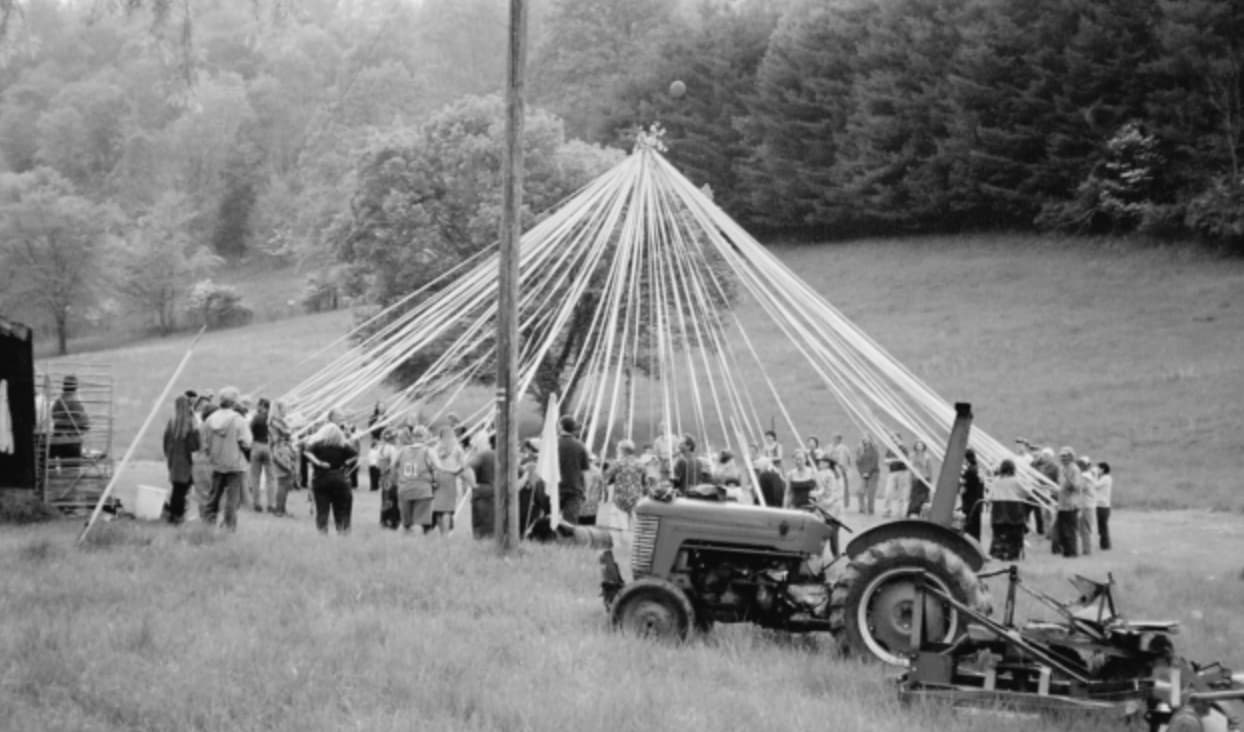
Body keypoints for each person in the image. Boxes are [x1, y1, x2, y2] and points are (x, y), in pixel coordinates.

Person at [201, 387, 253, 531]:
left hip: (216, 463)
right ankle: (229, 529)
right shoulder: (238, 420)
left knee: (213, 497)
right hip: (234, 465)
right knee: (232, 500)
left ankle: (207, 525)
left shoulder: (210, 419)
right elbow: (247, 443)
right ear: (234, 402)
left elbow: (205, 443)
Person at [304, 422, 357, 534]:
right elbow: (355, 455)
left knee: (322, 510)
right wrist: (345, 464)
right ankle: (343, 533)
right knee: (341, 510)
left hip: (321, 478)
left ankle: (322, 533)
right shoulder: (343, 446)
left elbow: (307, 452)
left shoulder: (318, 445)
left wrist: (319, 463)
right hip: (339, 478)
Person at [161, 394, 200, 524]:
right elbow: (194, 446)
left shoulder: (172, 422)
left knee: (177, 489)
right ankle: (177, 516)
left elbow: (165, 442)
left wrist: (169, 456)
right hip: (186, 461)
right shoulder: (189, 423)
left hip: (173, 460)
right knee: (182, 490)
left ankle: (173, 514)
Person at [394, 425, 435, 534]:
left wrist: (398, 481)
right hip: (422, 490)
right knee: (419, 522)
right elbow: (435, 468)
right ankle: (416, 545)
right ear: (424, 437)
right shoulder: (428, 451)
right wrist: (434, 481)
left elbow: (393, 466)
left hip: (404, 489)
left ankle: (403, 546)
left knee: (405, 523)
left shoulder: (402, 451)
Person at [430, 423, 470, 535]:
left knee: (438, 508)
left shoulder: (436, 448)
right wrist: (464, 482)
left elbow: (431, 464)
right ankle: (445, 535)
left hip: (437, 477)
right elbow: (463, 466)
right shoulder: (457, 448)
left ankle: (442, 531)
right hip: (451, 478)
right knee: (447, 509)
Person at [988, 459, 1027, 560]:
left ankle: (998, 554)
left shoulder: (996, 481)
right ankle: (1012, 554)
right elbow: (1025, 494)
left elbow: (990, 497)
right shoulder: (1016, 481)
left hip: (999, 511)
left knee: (999, 534)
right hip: (1014, 511)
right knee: (1014, 535)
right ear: (1012, 469)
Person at [557, 415, 590, 524]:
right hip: (574, 488)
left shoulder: (553, 444)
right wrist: (586, 490)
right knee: (570, 524)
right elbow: (584, 472)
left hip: (554, 488)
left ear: (561, 426)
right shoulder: (580, 446)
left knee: (550, 522)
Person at [50, 374, 89, 459]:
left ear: (63, 387)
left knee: (57, 470)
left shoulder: (58, 402)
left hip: (57, 442)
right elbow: (85, 425)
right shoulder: (76, 404)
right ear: (76, 388)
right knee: (71, 471)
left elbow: (53, 418)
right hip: (72, 442)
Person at [1052, 447, 1082, 557]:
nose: (1063, 459)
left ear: (1071, 457)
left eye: (1065, 456)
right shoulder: (1061, 469)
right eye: (1061, 456)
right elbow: (1061, 486)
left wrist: (1068, 480)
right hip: (1061, 505)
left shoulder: (1074, 469)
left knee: (1070, 530)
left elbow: (1076, 487)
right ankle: (1066, 552)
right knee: (1062, 530)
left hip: (1071, 505)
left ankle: (1072, 553)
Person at [267, 400, 295, 517]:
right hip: (280, 452)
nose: (286, 410)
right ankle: (279, 510)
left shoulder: (275, 422)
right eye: (284, 408)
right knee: (283, 481)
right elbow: (287, 433)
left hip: (281, 451)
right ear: (279, 409)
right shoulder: (276, 422)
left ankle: (282, 509)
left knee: (285, 481)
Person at [247, 398, 276, 512]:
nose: (257, 407)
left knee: (255, 477)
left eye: (258, 405)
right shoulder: (271, 418)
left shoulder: (256, 418)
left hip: (256, 445)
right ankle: (271, 504)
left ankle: (256, 503)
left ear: (262, 406)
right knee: (271, 478)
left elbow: (249, 430)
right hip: (267, 446)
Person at [468, 432, 496, 538]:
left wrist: (473, 485)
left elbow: (467, 468)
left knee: (481, 531)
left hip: (482, 496)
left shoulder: (483, 455)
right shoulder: (499, 455)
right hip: (496, 495)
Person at [881, 435, 910, 518]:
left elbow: (905, 460)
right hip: (892, 472)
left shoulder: (903, 449)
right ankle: (887, 510)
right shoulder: (890, 449)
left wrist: (892, 460)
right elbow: (885, 461)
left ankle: (900, 512)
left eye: (896, 439)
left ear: (900, 440)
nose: (894, 441)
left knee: (901, 493)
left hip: (902, 472)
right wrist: (895, 460)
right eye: (893, 439)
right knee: (888, 492)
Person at [960, 448, 984, 541]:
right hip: (977, 501)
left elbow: (964, 486)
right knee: (976, 524)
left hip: (969, 502)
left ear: (966, 458)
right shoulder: (977, 468)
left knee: (969, 523)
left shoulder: (969, 471)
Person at [907, 439, 934, 518]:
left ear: (923, 447)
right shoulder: (912, 455)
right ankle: (913, 511)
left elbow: (929, 469)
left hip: (925, 478)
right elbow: (911, 467)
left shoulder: (927, 456)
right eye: (918, 445)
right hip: (915, 478)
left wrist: (930, 480)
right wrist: (911, 477)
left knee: (924, 496)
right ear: (915, 446)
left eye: (921, 445)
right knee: (914, 496)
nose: (919, 447)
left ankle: (923, 512)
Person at [1076, 457, 1095, 556]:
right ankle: (1086, 550)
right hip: (1087, 505)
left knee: (1085, 529)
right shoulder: (1088, 476)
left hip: (1086, 506)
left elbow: (1079, 488)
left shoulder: (1085, 477)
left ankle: (1087, 550)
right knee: (1084, 529)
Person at [855, 434, 879, 514]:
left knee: (870, 493)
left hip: (873, 473)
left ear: (870, 439)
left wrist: (868, 472)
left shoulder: (874, 449)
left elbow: (874, 462)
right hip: (863, 474)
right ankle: (862, 508)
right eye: (863, 438)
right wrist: (862, 473)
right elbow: (858, 463)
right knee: (860, 491)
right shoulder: (861, 450)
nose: (864, 439)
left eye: (867, 438)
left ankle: (870, 510)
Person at [828, 434, 853, 508]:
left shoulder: (844, 448)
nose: (834, 440)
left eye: (836, 439)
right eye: (834, 439)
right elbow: (827, 456)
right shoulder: (830, 447)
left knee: (844, 487)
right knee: (832, 486)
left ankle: (845, 503)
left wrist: (846, 468)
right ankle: (832, 501)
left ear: (840, 440)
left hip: (842, 469)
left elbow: (849, 459)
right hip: (832, 469)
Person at [1095, 461, 1112, 550]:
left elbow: (1096, 485)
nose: (1096, 470)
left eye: (1098, 468)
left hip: (1104, 506)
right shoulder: (1102, 478)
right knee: (1101, 526)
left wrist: (1093, 476)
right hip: (1100, 505)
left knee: (1103, 526)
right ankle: (1103, 544)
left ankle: (1106, 545)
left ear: (1102, 469)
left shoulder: (1106, 478)